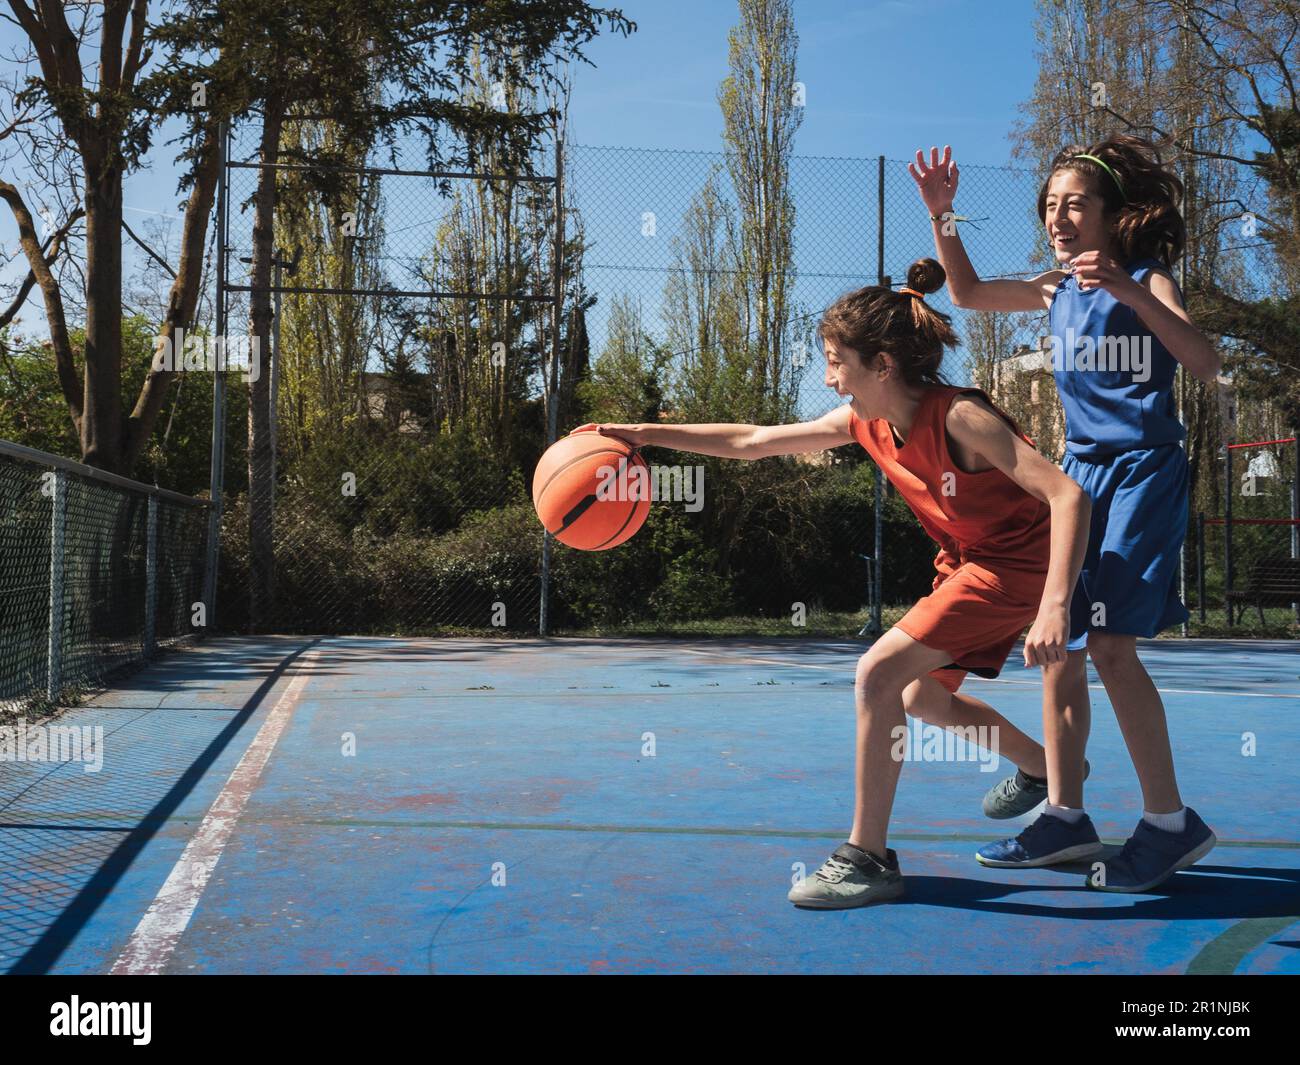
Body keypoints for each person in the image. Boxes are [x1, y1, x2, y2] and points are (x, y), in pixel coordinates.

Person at [592, 256, 1092, 908]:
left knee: (877, 673)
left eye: (835, 361)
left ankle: (868, 856)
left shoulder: (959, 418)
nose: (828, 377)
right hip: (970, 563)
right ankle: (1047, 765)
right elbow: (751, 440)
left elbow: (1067, 493)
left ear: (882, 364)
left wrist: (1054, 604)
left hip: (1017, 567)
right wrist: (644, 434)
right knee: (917, 697)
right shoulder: (865, 424)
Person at [911, 136, 1219, 891]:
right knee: (1061, 644)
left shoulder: (1147, 278)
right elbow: (971, 294)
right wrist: (943, 216)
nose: (1059, 215)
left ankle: (1170, 824)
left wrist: (1131, 288)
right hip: (1078, 473)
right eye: (1050, 205)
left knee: (1112, 647)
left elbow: (1205, 361)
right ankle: (1065, 814)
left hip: (1143, 469)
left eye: (1075, 202)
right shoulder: (1055, 290)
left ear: (1114, 215)